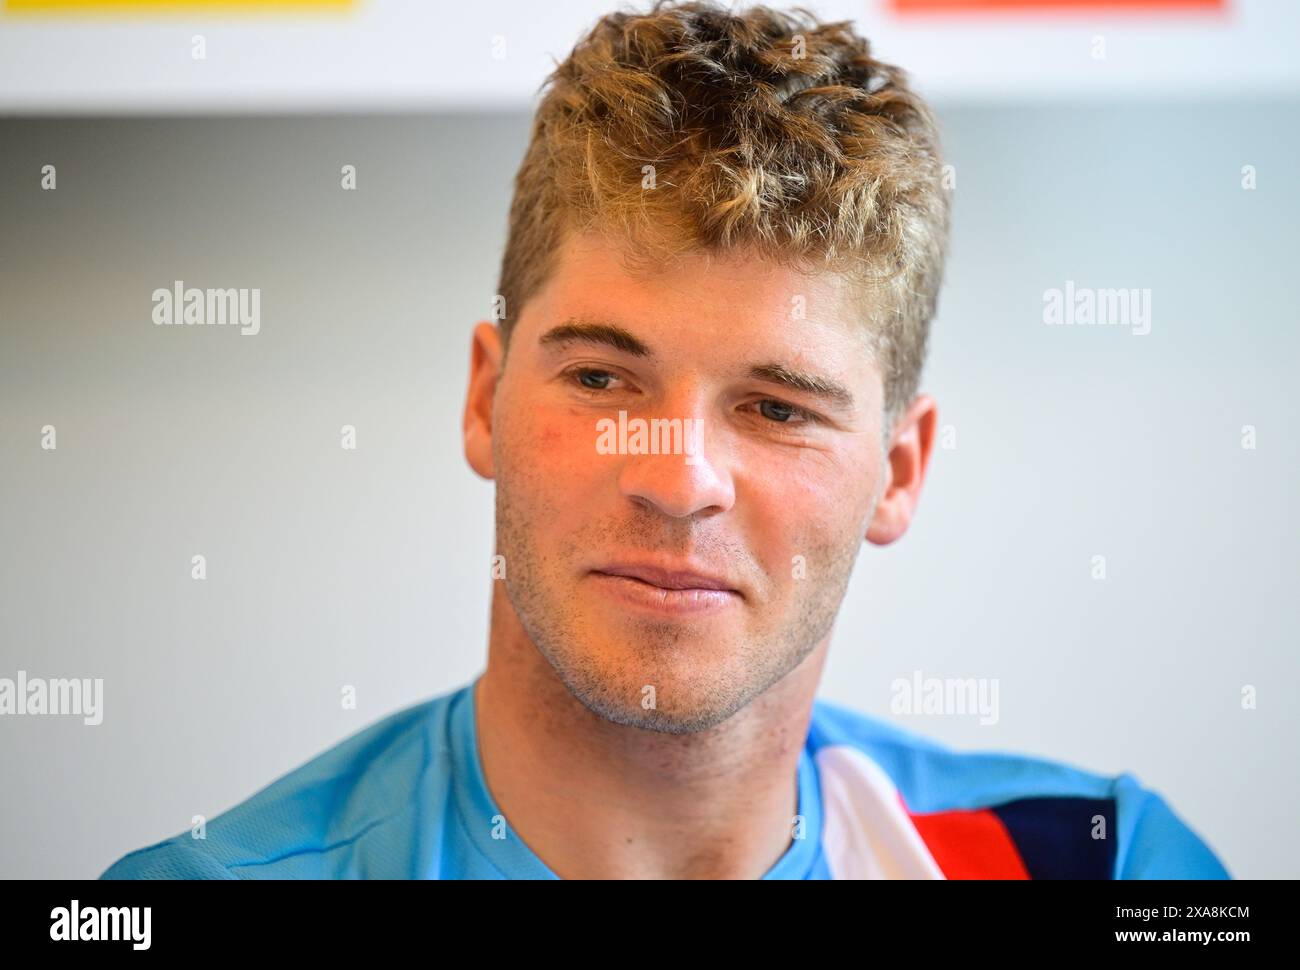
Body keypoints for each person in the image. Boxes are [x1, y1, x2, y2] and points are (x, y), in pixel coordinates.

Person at [101, 0, 1228, 880]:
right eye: (601, 377)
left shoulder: (1097, 861)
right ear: (483, 396)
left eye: (777, 408)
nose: (678, 478)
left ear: (898, 470)